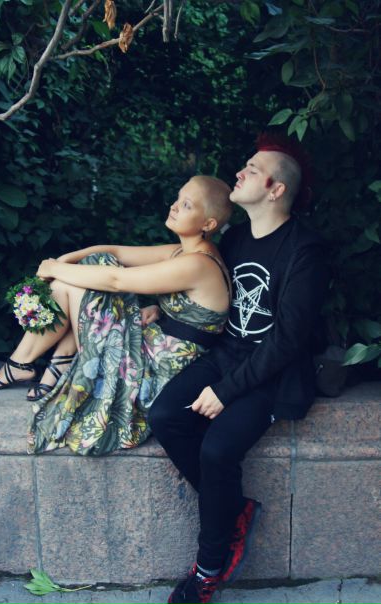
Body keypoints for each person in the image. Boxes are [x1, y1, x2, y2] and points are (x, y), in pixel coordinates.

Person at [149, 133, 330, 604]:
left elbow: (287, 340)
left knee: (217, 450)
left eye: (252, 169)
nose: (240, 172)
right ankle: (234, 511)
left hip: (274, 375)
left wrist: (226, 392)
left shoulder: (306, 250)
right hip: (227, 354)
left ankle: (208, 569)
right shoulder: (234, 238)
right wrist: (163, 313)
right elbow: (210, 296)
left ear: (275, 189)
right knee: (164, 415)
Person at [0, 175, 232, 456]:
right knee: (88, 267)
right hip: (150, 348)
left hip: (156, 373)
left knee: (74, 283)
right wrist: (64, 261)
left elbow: (116, 281)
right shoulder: (182, 252)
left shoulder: (198, 263)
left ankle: (28, 363)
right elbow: (114, 252)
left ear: (208, 224)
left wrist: (55, 269)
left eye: (186, 205)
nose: (174, 206)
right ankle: (36, 363)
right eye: (178, 198)